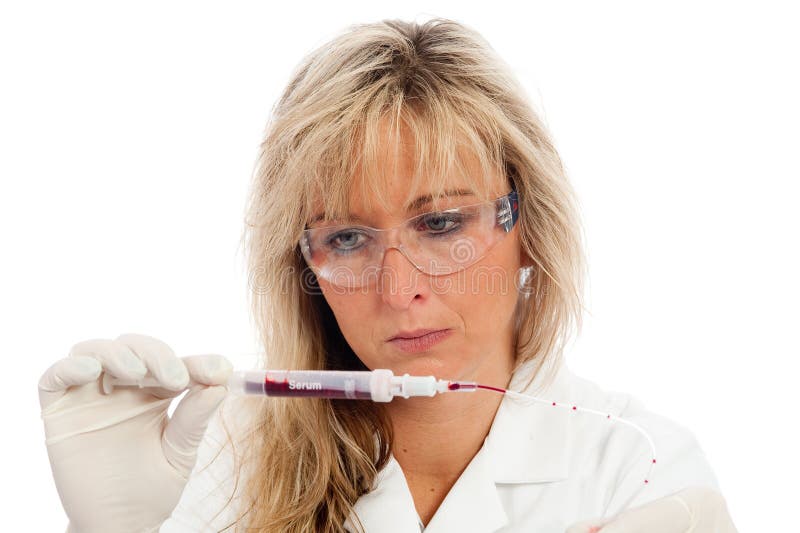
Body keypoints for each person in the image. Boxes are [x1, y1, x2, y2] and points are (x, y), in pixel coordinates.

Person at [38, 17, 738, 533]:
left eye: (442, 224)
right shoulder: (221, 462)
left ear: (527, 227)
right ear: (303, 262)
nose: (399, 291)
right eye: (346, 238)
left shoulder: (636, 468)